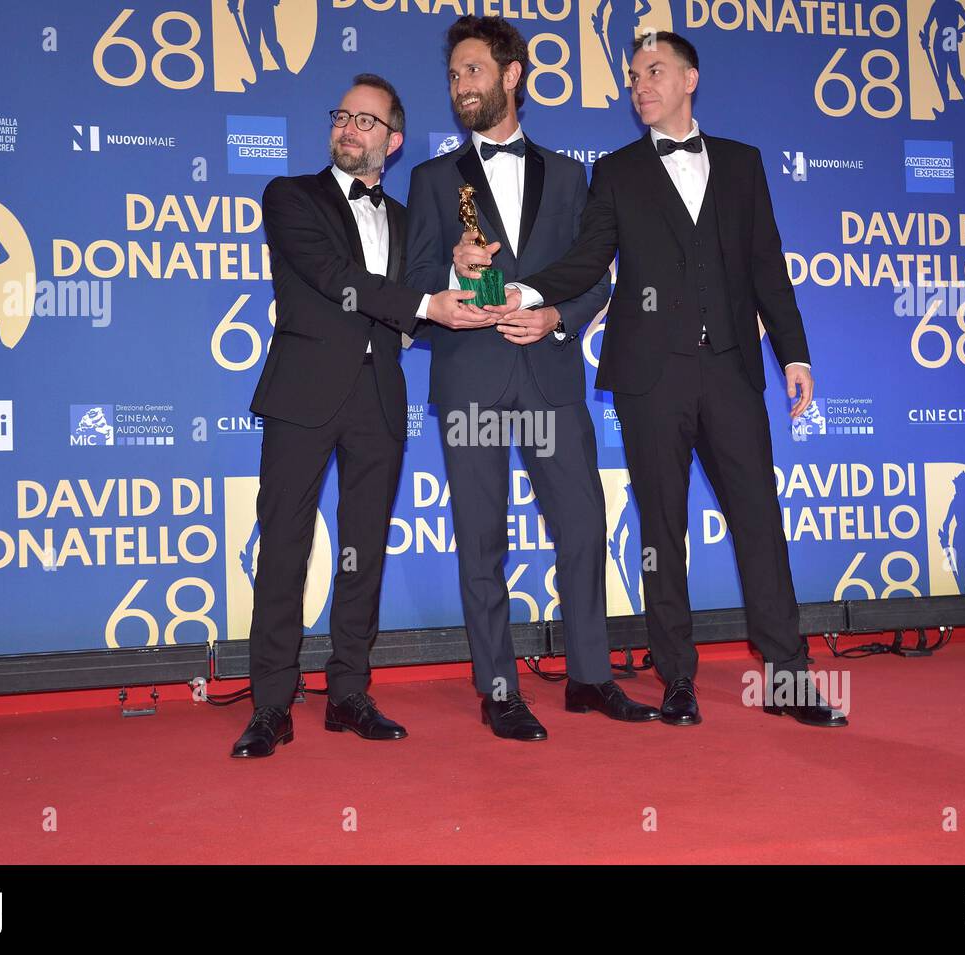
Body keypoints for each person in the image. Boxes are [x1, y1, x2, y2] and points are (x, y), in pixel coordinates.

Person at [490, 32, 847, 728]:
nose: (639, 86)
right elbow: (589, 261)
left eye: (653, 72)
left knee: (760, 523)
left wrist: (795, 357)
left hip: (733, 369)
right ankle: (676, 678)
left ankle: (788, 676)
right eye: (631, 77)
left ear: (690, 79)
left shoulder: (744, 165)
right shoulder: (617, 172)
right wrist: (528, 290)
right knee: (661, 529)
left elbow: (767, 266)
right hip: (650, 378)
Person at [405, 16, 661, 741]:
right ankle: (498, 690)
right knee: (481, 537)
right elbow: (411, 289)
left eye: (474, 71)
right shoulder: (430, 181)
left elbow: (594, 277)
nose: (461, 87)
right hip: (472, 380)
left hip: (549, 375)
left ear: (512, 76)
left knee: (583, 527)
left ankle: (589, 675)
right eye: (453, 75)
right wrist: (454, 274)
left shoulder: (572, 175)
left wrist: (556, 319)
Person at [232, 73, 487, 758]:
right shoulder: (290, 197)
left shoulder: (407, 222)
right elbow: (336, 278)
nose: (349, 128)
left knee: (362, 550)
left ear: (393, 141)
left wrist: (462, 282)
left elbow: (426, 306)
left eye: (366, 121)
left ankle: (348, 692)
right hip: (303, 394)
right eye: (342, 115)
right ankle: (271, 704)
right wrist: (426, 305)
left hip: (379, 397)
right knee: (285, 546)